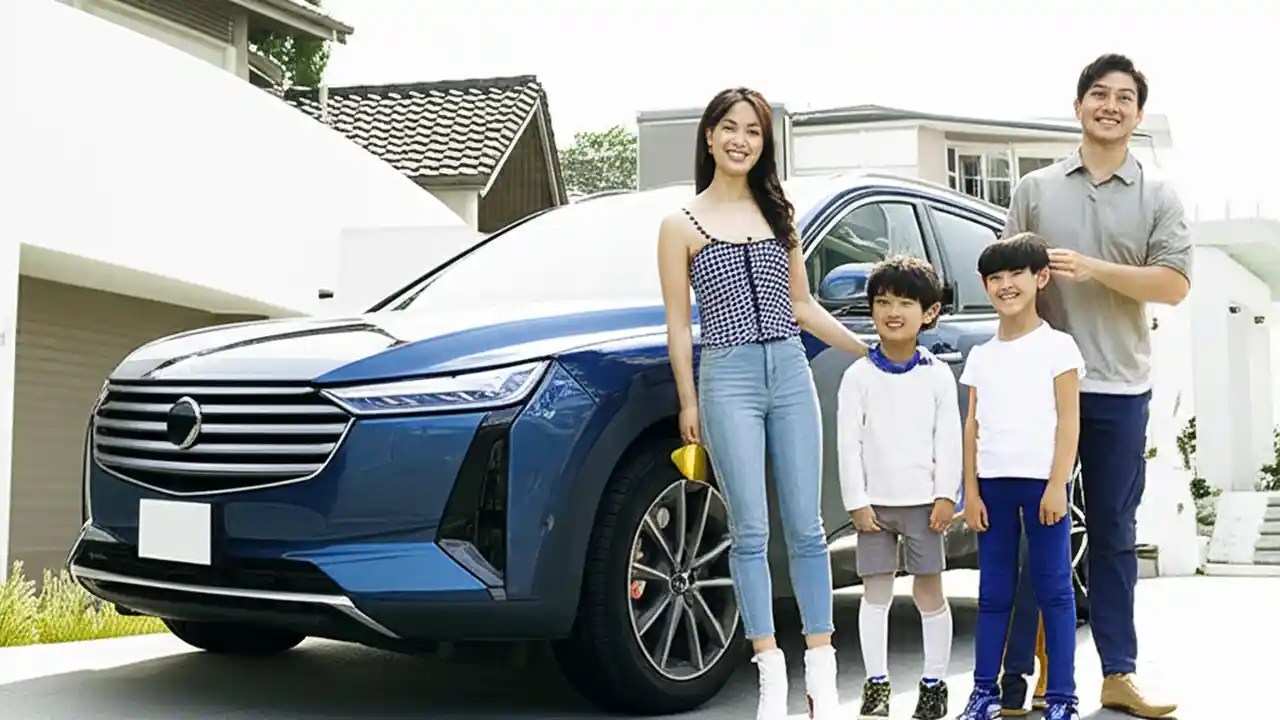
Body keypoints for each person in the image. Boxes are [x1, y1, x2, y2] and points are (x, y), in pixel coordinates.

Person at [656, 87, 870, 720]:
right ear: (709, 135)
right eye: (730, 127)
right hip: (727, 376)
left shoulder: (781, 214)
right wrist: (688, 400)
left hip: (791, 370)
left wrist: (869, 350)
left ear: (764, 143)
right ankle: (770, 680)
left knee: (807, 528)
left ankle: (823, 679)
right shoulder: (679, 225)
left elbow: (802, 305)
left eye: (753, 131)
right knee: (750, 530)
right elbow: (678, 326)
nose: (741, 140)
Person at [999, 52, 1189, 718]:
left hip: (1119, 389)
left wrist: (1095, 269)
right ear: (1078, 106)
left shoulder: (1158, 195)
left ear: (1138, 114)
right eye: (1099, 95)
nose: (1110, 106)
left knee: (1112, 534)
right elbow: (1007, 282)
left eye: (1124, 98)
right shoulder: (1035, 189)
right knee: (1034, 532)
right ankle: (1020, 678)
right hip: (1041, 391)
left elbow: (1174, 285)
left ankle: (1118, 674)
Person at [955, 233, 1084, 720]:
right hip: (993, 488)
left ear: (1041, 278)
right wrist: (971, 492)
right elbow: (972, 425)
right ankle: (983, 693)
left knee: (1055, 591)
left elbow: (1069, 421)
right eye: (996, 277)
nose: (1006, 285)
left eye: (1016, 274)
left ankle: (1062, 697)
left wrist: (1057, 485)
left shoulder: (1058, 347)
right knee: (993, 594)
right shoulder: (981, 356)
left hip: (1043, 488)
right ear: (985, 284)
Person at [836, 255, 962, 720]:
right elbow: (847, 443)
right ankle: (876, 685)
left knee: (929, 593)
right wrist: (856, 501)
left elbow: (948, 439)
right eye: (883, 302)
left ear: (929, 312)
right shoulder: (858, 376)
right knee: (875, 595)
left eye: (906, 303)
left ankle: (933, 684)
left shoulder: (937, 374)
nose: (893, 312)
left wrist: (946, 495)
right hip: (874, 508)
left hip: (925, 506)